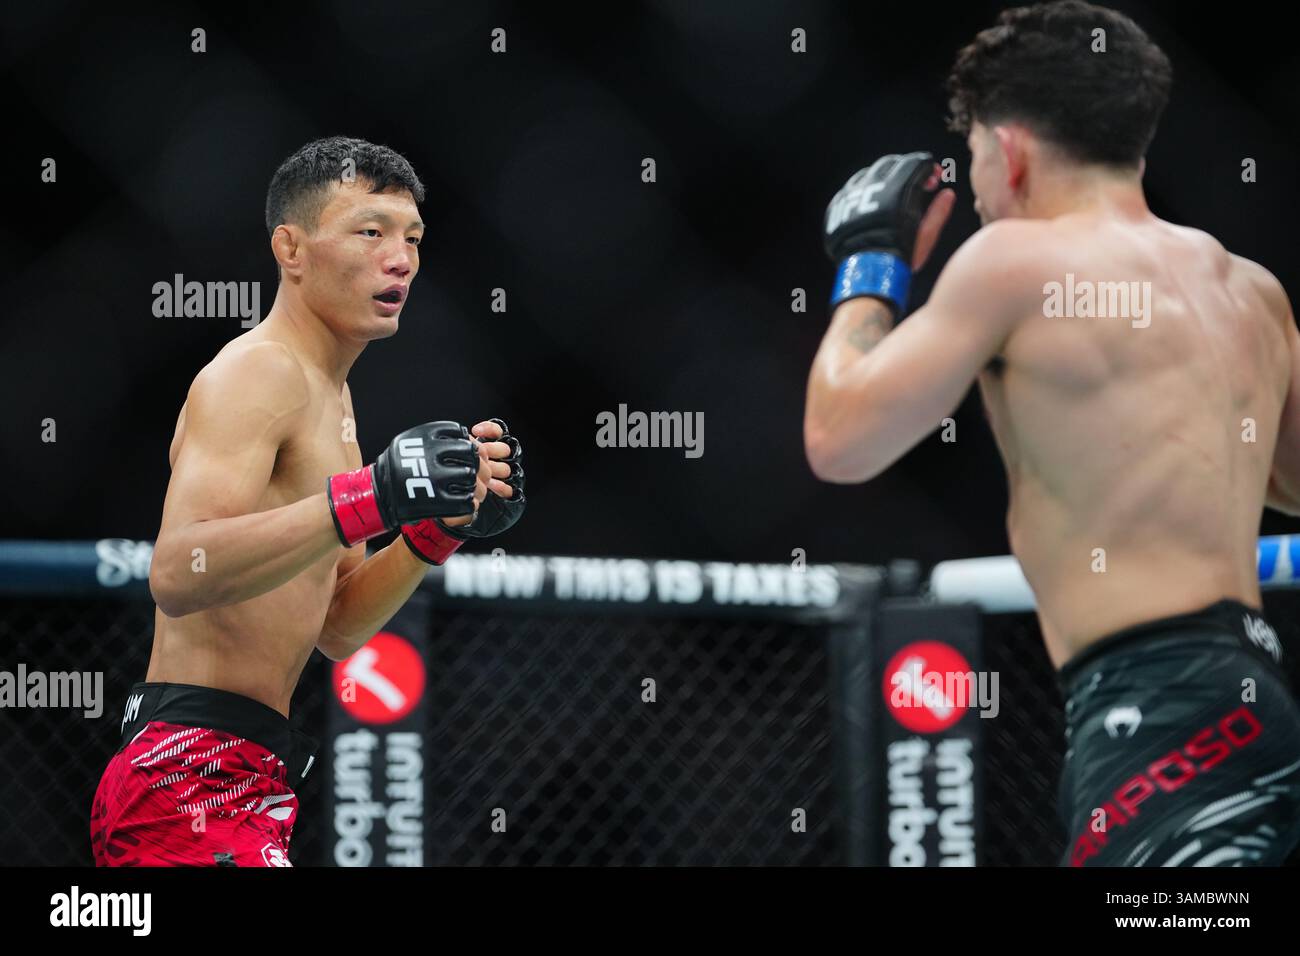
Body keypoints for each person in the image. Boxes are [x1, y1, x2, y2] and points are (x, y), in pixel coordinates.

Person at [804, 1, 1300, 865]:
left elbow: (840, 440)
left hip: (1152, 707)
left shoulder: (1013, 263)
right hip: (1252, 694)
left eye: (975, 159)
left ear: (1009, 148)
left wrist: (871, 266)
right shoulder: (1246, 288)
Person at [90, 136, 526, 866]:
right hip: (184, 774)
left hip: (248, 773)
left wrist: (431, 531)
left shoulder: (334, 402)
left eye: (412, 238)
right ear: (290, 249)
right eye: (370, 232)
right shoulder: (258, 372)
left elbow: (337, 625)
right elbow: (177, 571)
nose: (401, 259)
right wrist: (371, 494)